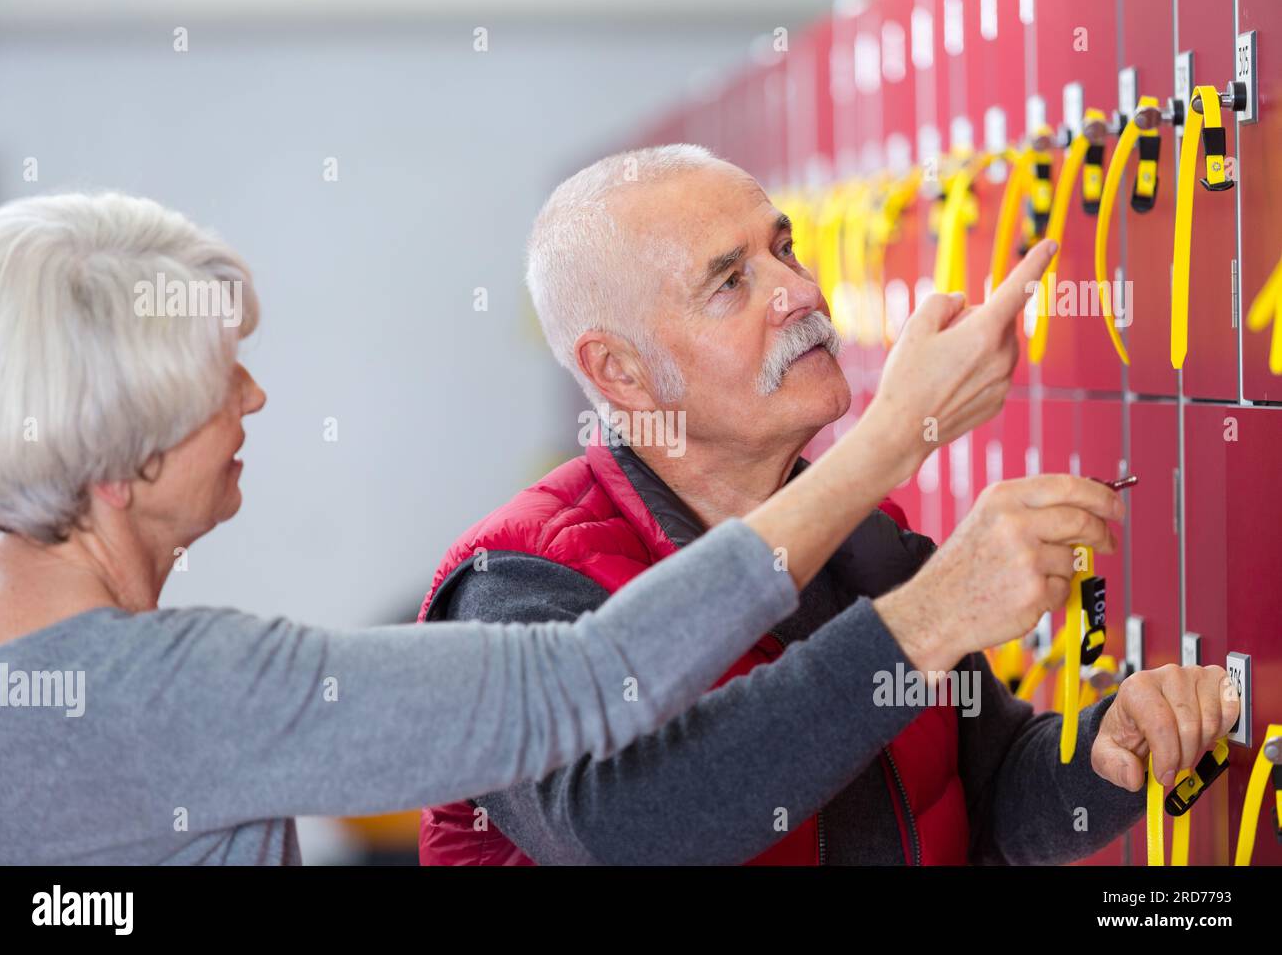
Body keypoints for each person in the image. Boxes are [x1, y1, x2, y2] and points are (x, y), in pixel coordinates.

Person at [0, 191, 998, 864]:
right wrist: (890, 442)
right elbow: (592, 687)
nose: (253, 396)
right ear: (124, 454)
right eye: (218, 376)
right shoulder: (187, 690)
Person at [417, 145, 1238, 865]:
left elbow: (985, 800)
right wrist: (932, 616)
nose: (800, 292)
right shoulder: (515, 588)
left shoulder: (866, 551)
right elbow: (631, 826)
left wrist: (1107, 751)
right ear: (621, 373)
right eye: (731, 282)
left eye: (785, 249)